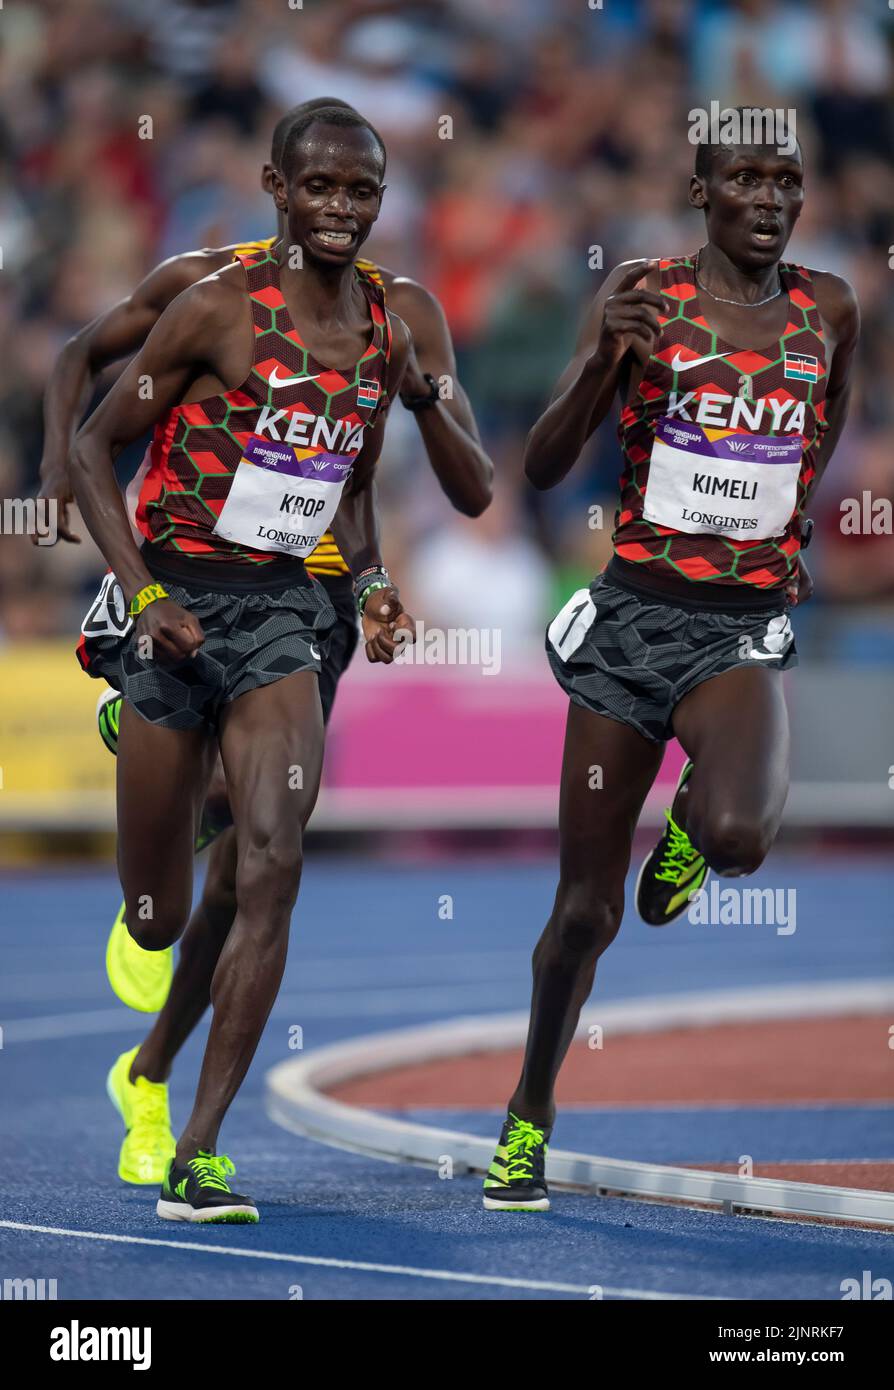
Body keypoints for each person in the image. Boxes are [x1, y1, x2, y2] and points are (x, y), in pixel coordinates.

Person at [39, 98, 493, 1189]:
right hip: (178, 598)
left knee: (271, 856)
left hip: (295, 610)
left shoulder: (393, 320)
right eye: (321, 188)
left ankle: (195, 1143)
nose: (342, 209)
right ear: (276, 189)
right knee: (162, 914)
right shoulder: (209, 299)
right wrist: (113, 556)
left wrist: (376, 581)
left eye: (362, 190)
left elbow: (362, 477)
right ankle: (149, 769)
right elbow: (89, 400)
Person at [483, 118, 859, 1210]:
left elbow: (818, 437)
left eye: (788, 178)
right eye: (745, 177)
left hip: (739, 627)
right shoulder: (646, 295)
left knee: (741, 832)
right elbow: (546, 466)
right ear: (701, 192)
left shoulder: (830, 308)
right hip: (632, 628)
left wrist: (769, 535)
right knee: (584, 914)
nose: (770, 196)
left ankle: (693, 839)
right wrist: (605, 355)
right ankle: (529, 1110)